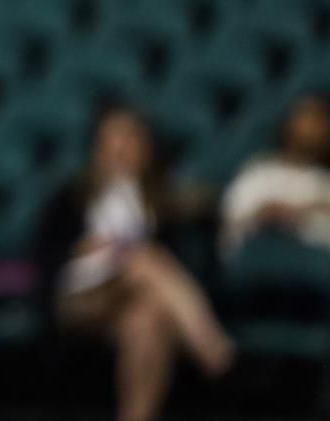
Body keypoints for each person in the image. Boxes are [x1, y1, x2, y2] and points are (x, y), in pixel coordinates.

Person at [39, 105, 234, 421]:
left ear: (147, 149)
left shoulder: (161, 204)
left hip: (132, 299)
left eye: (131, 139)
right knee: (140, 258)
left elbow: (191, 253)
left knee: (145, 321)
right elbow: (46, 258)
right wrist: (81, 250)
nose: (121, 148)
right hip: (79, 296)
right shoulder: (71, 197)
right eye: (113, 138)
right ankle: (212, 346)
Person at [219, 91, 330, 256]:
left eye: (320, 120)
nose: (312, 127)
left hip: (311, 263)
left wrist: (302, 212)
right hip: (257, 258)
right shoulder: (260, 171)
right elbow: (232, 220)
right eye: (306, 116)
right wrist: (267, 214)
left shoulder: (324, 181)